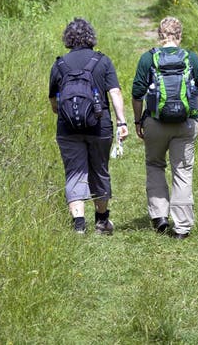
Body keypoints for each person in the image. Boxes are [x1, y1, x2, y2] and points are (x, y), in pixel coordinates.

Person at [132, 16, 198, 239]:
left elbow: (137, 95)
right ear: (180, 36)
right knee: (182, 172)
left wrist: (138, 121)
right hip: (186, 124)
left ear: (159, 35)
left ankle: (159, 217)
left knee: (155, 165)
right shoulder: (191, 58)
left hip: (155, 123)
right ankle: (182, 227)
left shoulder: (148, 59)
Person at [49, 18, 129, 234]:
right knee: (99, 171)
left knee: (75, 172)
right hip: (99, 126)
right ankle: (102, 221)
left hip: (67, 129)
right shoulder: (102, 61)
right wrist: (122, 122)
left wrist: (69, 113)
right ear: (91, 37)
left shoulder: (59, 65)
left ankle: (79, 224)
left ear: (68, 38)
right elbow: (115, 92)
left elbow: (54, 104)